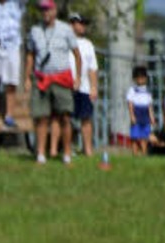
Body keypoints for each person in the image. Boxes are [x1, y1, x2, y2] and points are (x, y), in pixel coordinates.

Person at [24, 0, 82, 165]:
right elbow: (30, 55)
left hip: (61, 77)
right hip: (41, 77)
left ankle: (67, 154)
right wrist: (27, 77)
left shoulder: (65, 30)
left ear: (55, 10)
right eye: (42, 10)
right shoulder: (34, 31)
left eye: (48, 9)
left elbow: (77, 54)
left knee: (65, 116)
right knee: (41, 117)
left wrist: (78, 77)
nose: (45, 13)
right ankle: (41, 154)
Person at [70, 13, 99, 158]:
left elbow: (92, 68)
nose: (83, 26)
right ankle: (68, 149)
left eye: (84, 23)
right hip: (68, 86)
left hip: (84, 88)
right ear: (72, 24)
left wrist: (94, 87)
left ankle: (88, 149)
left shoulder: (88, 45)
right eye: (80, 23)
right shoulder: (65, 41)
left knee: (86, 119)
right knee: (66, 119)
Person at [126, 66, 154, 156]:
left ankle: (144, 153)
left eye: (143, 77)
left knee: (145, 136)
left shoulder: (147, 91)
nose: (141, 79)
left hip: (145, 115)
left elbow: (149, 105)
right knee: (135, 136)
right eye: (138, 77)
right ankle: (134, 153)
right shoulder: (132, 90)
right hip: (137, 113)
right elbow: (130, 104)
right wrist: (132, 116)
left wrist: (151, 116)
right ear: (135, 78)